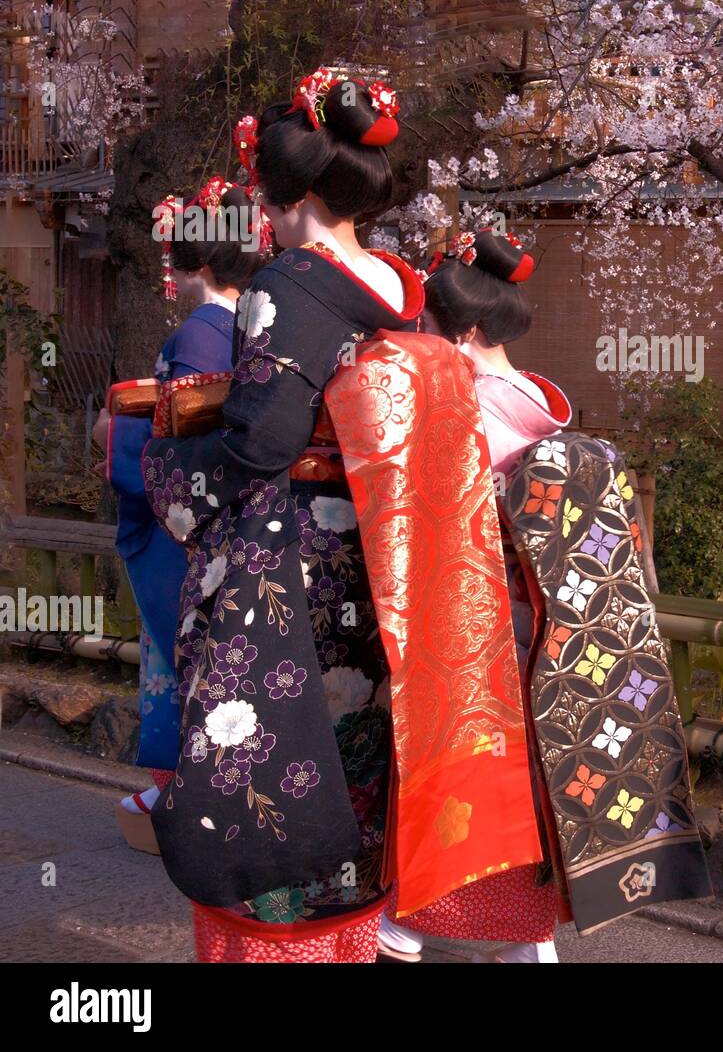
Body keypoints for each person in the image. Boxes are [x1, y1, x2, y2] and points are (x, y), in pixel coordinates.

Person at [139, 69, 422, 962]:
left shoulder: (291, 283)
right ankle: (349, 930)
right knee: (356, 748)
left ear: (278, 193)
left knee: (266, 761)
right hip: (370, 553)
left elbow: (261, 440)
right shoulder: (402, 288)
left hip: (287, 573)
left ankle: (274, 938)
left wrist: (167, 461)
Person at [376, 229, 571, 962]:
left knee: (457, 772)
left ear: (459, 330)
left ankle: (414, 912)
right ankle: (523, 939)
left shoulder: (472, 406)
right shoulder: (534, 398)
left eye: (427, 328)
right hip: (531, 612)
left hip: (478, 611)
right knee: (514, 782)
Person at [94, 179, 266, 851]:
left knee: (181, 659)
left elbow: (168, 442)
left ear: (191, 259)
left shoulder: (196, 335)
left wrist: (115, 431)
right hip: (240, 520)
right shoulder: (254, 331)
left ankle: (184, 791)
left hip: (183, 529)